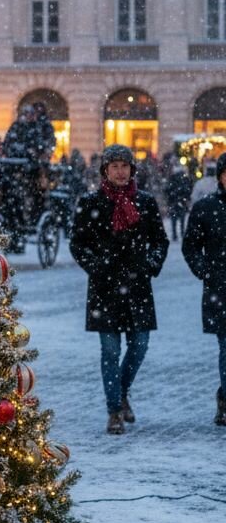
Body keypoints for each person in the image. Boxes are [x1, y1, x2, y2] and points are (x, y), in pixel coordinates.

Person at [70, 144, 169, 434]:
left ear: (132, 169)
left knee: (140, 346)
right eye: (114, 166)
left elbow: (160, 241)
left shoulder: (145, 202)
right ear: (105, 170)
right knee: (110, 351)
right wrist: (96, 266)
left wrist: (150, 264)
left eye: (124, 166)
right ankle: (114, 409)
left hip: (138, 287)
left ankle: (122, 392)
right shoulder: (91, 202)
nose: (120, 171)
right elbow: (78, 243)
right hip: (105, 288)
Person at [182, 152, 226, 426]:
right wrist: (206, 271)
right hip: (221, 289)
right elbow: (190, 247)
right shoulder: (206, 208)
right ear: (220, 177)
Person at [165, 162, 193, 242]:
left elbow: (167, 190)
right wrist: (186, 198)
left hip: (173, 202)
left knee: (174, 220)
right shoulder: (184, 179)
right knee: (182, 219)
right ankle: (182, 233)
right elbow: (188, 190)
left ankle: (175, 235)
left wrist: (170, 198)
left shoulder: (172, 179)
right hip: (181, 202)